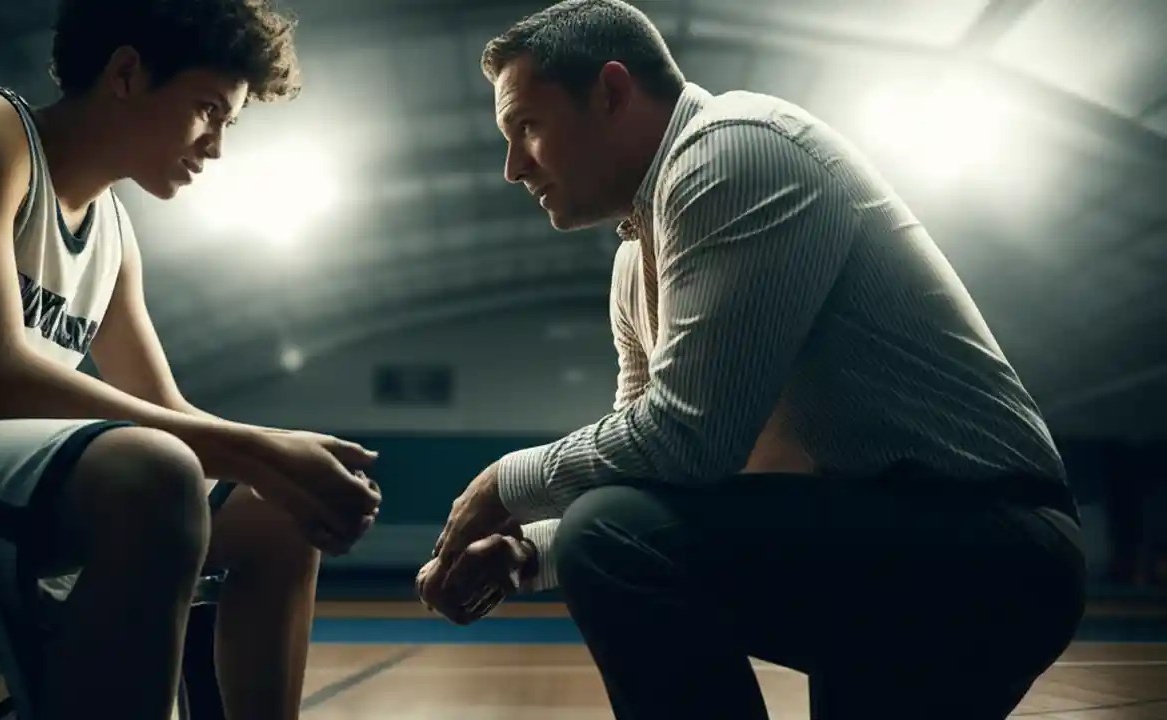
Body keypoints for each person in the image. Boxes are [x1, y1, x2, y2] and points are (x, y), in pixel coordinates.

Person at [417, 1, 1086, 718]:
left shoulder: (734, 152)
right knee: (607, 524)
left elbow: (688, 442)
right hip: (878, 542)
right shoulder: (633, 261)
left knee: (609, 529)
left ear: (611, 93)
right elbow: (653, 474)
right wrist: (534, 553)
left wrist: (506, 483)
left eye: (527, 127)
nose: (513, 167)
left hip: (992, 545)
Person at [0, 1, 381, 718]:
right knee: (154, 471)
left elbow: (167, 410)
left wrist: (277, 465)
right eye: (208, 109)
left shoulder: (113, 233)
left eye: (228, 123)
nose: (215, 145)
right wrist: (255, 448)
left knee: (275, 512)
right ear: (125, 73)